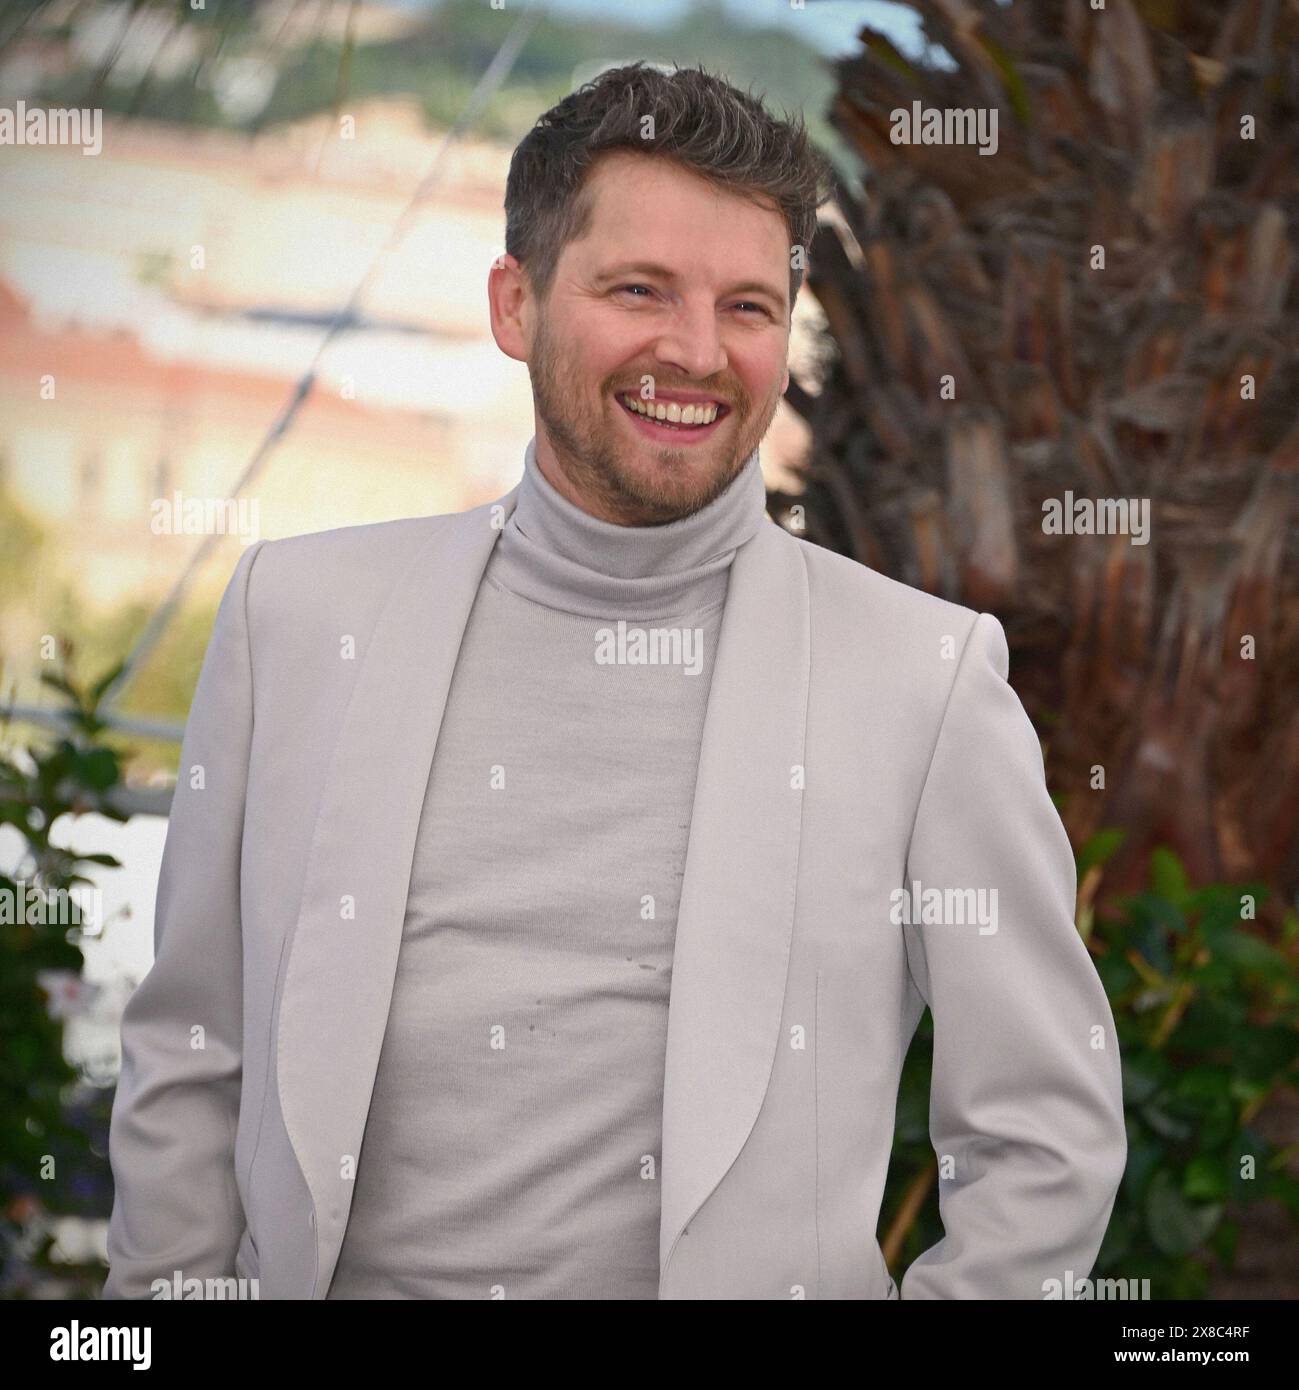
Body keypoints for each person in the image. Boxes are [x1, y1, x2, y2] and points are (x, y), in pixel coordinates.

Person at [103, 62, 1126, 1301]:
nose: (697, 354)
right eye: (639, 290)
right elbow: (191, 1047)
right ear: (516, 304)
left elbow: (1043, 1133)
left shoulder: (927, 681)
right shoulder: (297, 617)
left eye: (749, 306)